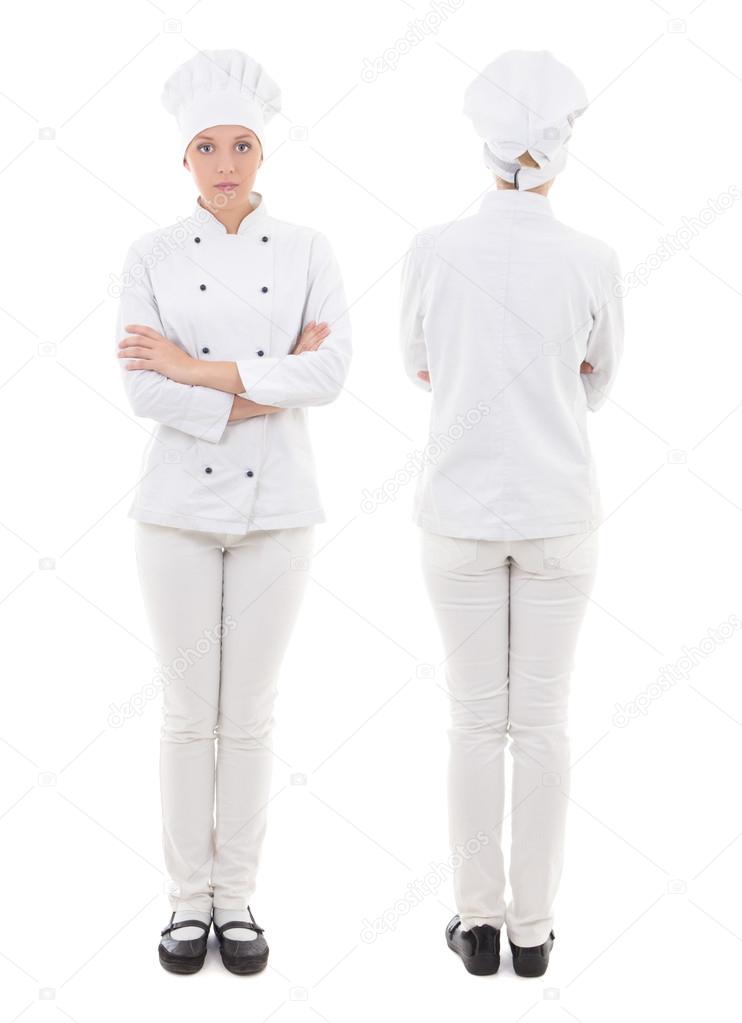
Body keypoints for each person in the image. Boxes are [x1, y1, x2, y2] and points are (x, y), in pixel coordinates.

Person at [114, 48, 352, 975]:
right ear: (184, 159)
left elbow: (328, 373)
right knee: (185, 714)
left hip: (279, 508)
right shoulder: (151, 254)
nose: (225, 162)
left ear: (263, 154)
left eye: (242, 144)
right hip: (173, 509)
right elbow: (144, 390)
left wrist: (196, 369)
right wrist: (266, 382)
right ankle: (184, 904)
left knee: (248, 717)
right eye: (207, 146)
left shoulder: (307, 249)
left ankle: (235, 897)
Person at [398, 50, 623, 977]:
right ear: (560, 151)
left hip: (456, 514)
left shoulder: (432, 248)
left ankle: (476, 922)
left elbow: (418, 366)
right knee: (543, 724)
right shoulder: (593, 258)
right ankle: (533, 933)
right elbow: (599, 382)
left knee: (471, 723)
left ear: (484, 147)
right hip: (559, 514)